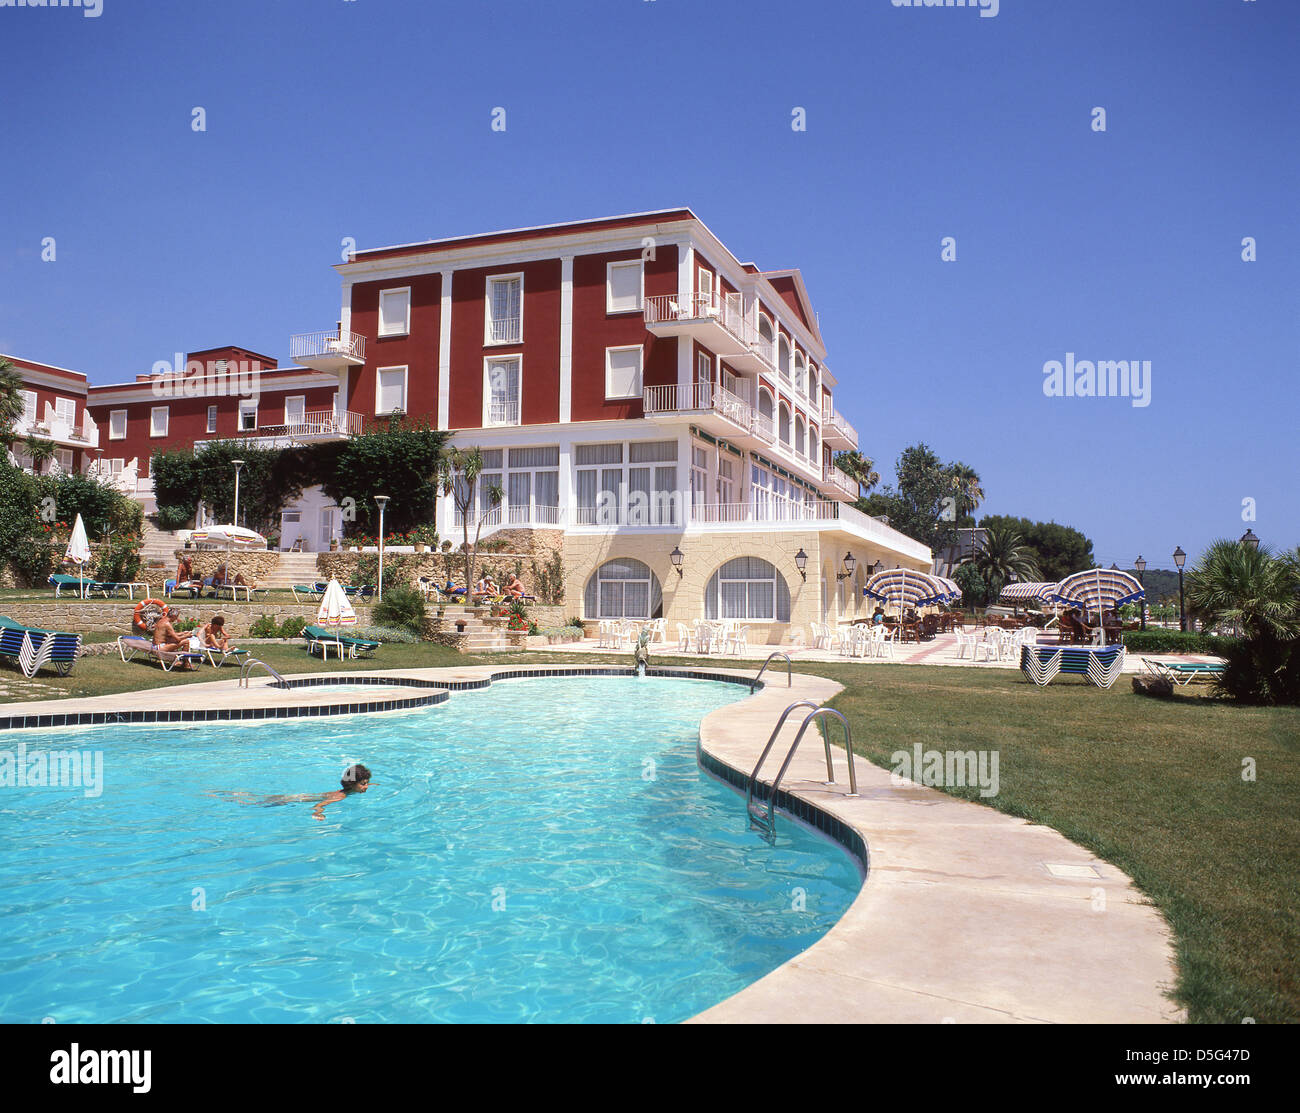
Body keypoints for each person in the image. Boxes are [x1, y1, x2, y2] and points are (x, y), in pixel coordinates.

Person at [211, 764, 373, 822]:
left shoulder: (349, 791)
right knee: (253, 803)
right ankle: (224, 795)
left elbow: (365, 783)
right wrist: (319, 813)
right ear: (353, 784)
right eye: (364, 784)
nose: (367, 787)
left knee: (257, 799)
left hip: (296, 798)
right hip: (290, 800)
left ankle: (228, 794)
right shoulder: (340, 796)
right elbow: (320, 804)